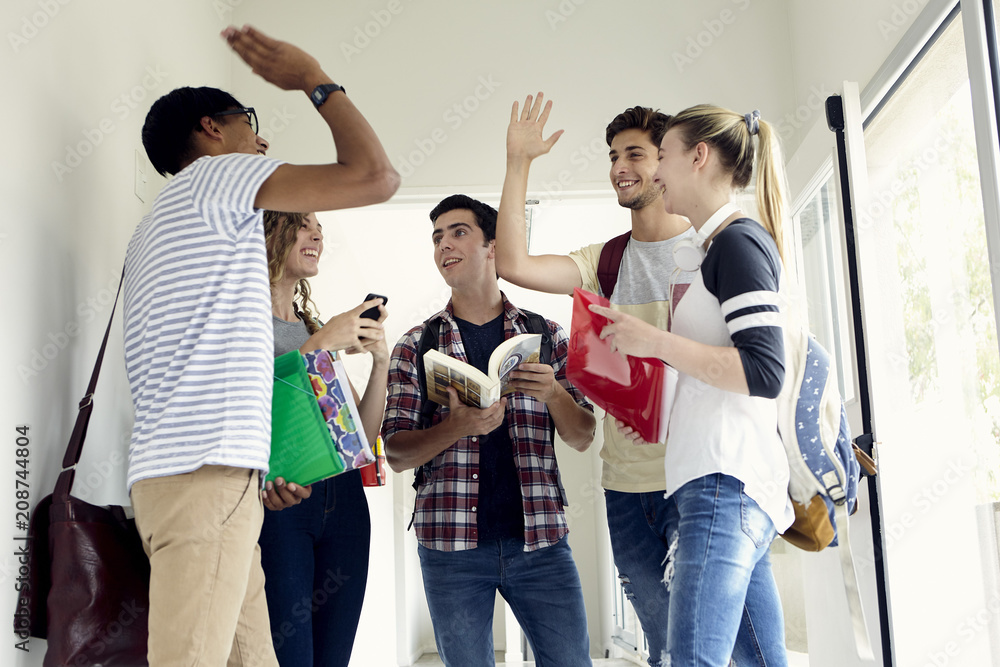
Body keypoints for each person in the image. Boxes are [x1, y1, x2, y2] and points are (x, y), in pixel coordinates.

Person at [123, 25, 398, 666]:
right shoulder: (217, 181)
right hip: (206, 482)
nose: (262, 139)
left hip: (193, 482)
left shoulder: (154, 229)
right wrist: (312, 76)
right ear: (211, 131)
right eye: (249, 122)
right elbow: (376, 176)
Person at [494, 93, 696, 667]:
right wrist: (518, 163)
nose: (617, 168)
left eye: (634, 153)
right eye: (612, 156)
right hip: (627, 488)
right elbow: (515, 264)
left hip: (698, 476)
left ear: (670, 160)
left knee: (706, 643)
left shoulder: (710, 250)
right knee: (664, 644)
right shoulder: (604, 261)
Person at [589, 105, 794, 666]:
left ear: (697, 157)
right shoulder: (710, 249)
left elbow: (764, 371)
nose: (655, 173)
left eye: (666, 157)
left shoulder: (737, 243)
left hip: (722, 483)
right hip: (717, 481)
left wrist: (655, 343)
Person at [382, 195, 596, 666]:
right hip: (450, 549)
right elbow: (395, 453)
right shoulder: (415, 346)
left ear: (493, 247)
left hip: (541, 544)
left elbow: (583, 436)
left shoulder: (548, 335)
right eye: (437, 237)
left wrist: (555, 396)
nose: (444, 245)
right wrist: (454, 428)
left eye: (458, 232)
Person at [258, 210, 388, 666]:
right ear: (269, 230)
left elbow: (361, 440)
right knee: (289, 655)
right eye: (302, 224)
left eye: (319, 228)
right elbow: (253, 408)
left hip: (346, 503)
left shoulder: (311, 326)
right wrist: (322, 344)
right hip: (283, 504)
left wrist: (381, 364)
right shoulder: (242, 321)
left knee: (334, 658)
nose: (317, 234)